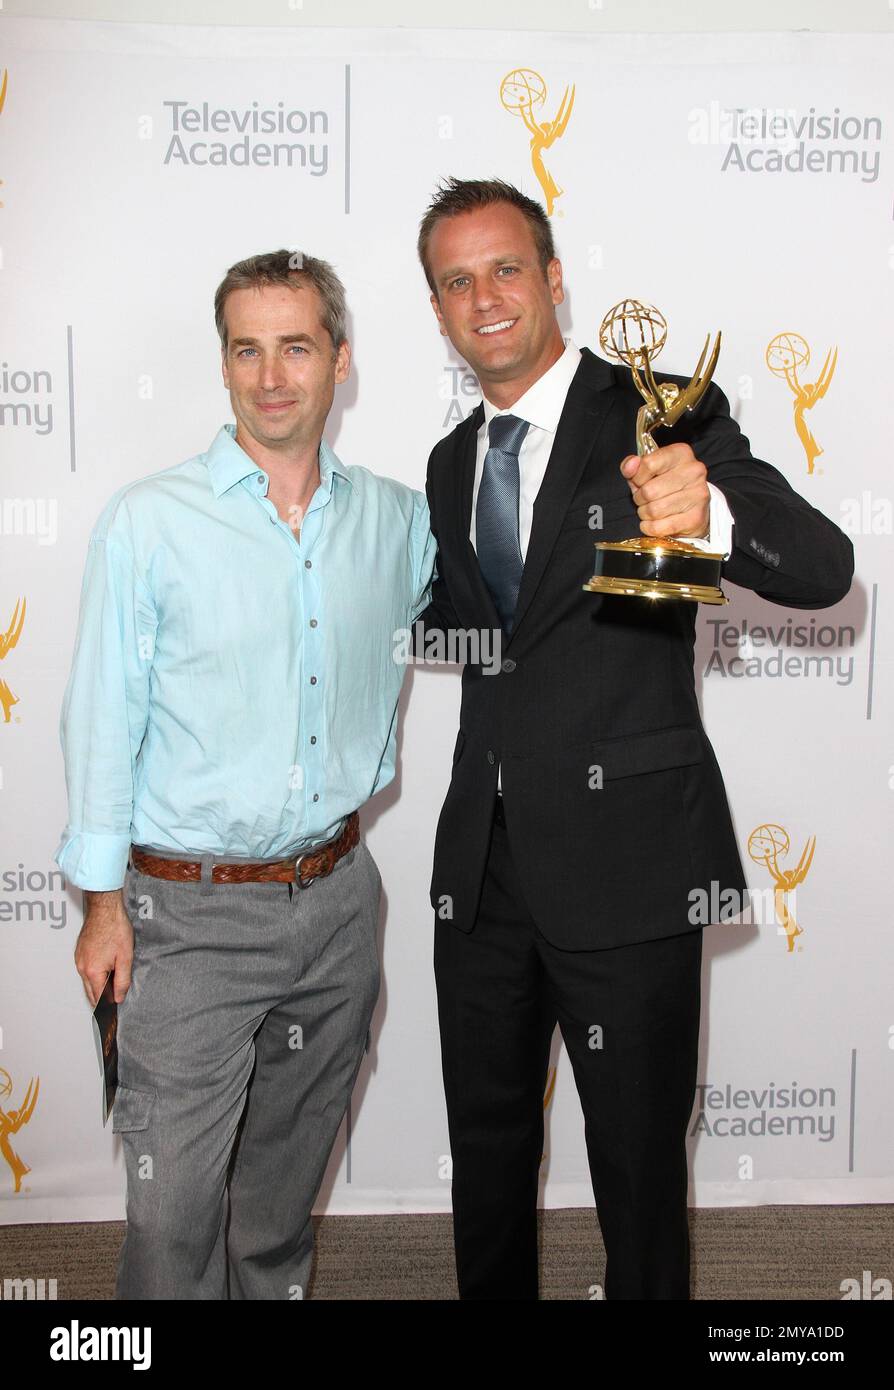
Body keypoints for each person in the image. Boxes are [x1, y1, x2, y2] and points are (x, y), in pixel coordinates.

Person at [414, 177, 854, 1300]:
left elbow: (820, 567)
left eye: (506, 267)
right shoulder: (450, 462)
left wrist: (704, 515)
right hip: (482, 874)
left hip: (633, 865)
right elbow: (477, 638)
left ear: (555, 278)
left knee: (642, 1184)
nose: (486, 296)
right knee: (488, 1167)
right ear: (438, 309)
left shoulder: (664, 408)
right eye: (456, 280)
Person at [56, 249, 434, 1300]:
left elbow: (515, 589)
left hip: (341, 906)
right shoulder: (149, 522)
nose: (272, 376)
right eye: (247, 349)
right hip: (183, 917)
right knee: (171, 1222)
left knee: (276, 1207)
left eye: (297, 347)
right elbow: (100, 723)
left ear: (341, 361)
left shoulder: (400, 523)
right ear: (224, 365)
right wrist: (100, 907)